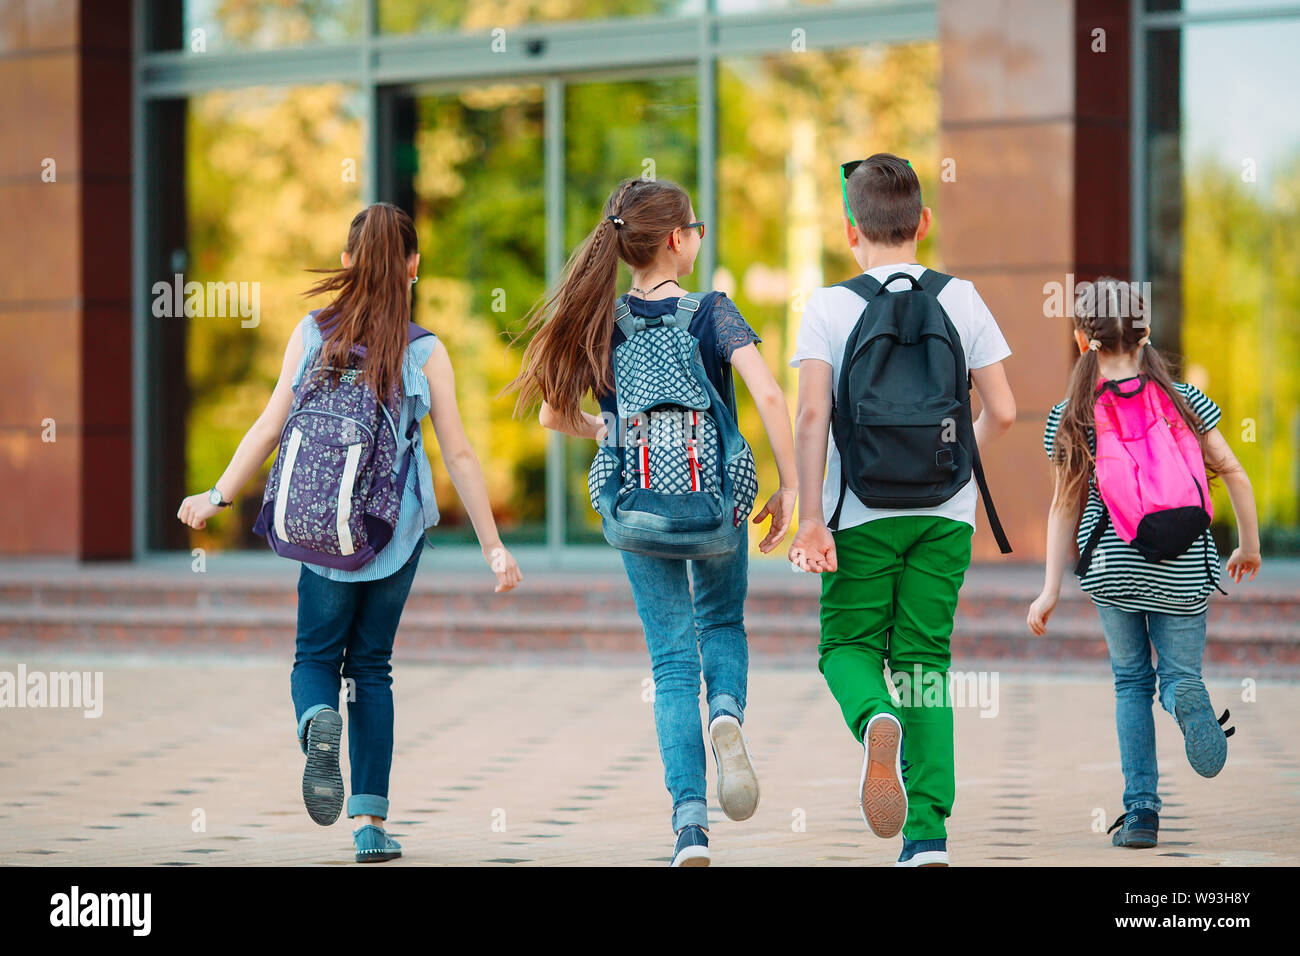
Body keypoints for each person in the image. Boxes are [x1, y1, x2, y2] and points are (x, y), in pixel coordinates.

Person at [177, 202, 522, 863]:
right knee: (371, 669)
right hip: (392, 536)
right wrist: (493, 547)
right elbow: (460, 455)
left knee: (314, 661)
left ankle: (316, 722)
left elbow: (269, 426)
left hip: (320, 531)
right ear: (414, 267)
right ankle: (369, 827)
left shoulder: (312, 333)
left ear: (345, 264)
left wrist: (217, 494)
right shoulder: (426, 351)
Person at [507, 177, 798, 867]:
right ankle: (726, 711)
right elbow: (769, 392)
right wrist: (790, 489)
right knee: (721, 624)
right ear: (676, 240)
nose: (697, 238)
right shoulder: (712, 312)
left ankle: (690, 828)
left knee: (670, 665)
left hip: (638, 511)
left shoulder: (600, 319)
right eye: (694, 229)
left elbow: (551, 414)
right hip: (715, 508)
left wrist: (610, 431)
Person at [789, 153, 1016, 867]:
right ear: (924, 223)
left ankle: (872, 717)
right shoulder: (964, 298)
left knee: (845, 649)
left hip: (858, 510)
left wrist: (810, 518)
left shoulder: (828, 305)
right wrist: (953, 470)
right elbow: (1005, 412)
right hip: (945, 517)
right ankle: (927, 836)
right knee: (925, 661)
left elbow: (809, 419)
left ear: (849, 229)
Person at [1028, 277, 1260, 850]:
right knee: (1179, 677)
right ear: (1147, 332)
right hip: (1184, 568)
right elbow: (1233, 471)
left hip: (1112, 569)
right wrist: (1249, 545)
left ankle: (1141, 815)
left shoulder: (1073, 413)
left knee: (1131, 683)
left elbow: (1065, 504)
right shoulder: (1185, 401)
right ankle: (1186, 699)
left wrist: (1051, 587)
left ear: (1082, 339)